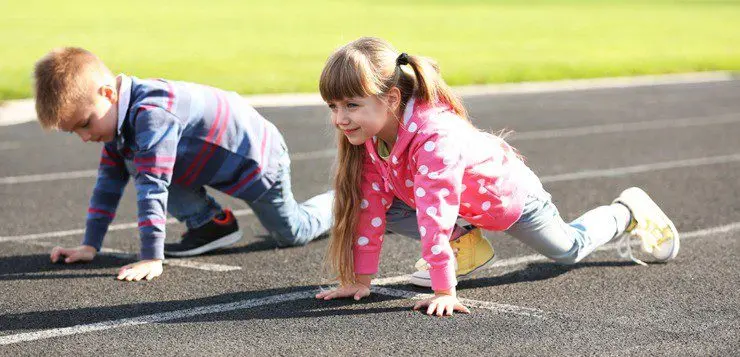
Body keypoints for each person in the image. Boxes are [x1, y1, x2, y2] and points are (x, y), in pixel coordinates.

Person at [314, 37, 679, 317]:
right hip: (461, 205)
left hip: (508, 199)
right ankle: (467, 242)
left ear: (391, 99)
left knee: (568, 250)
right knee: (383, 206)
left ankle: (625, 211)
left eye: (351, 105)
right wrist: (359, 281)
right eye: (333, 106)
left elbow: (434, 214)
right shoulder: (369, 143)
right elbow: (369, 212)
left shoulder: (434, 139)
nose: (339, 119)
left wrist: (444, 291)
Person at [32, 47, 334, 281]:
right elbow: (107, 186)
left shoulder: (152, 113)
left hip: (258, 162)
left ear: (109, 94)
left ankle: (341, 202)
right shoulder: (117, 127)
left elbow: (153, 184)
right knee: (136, 161)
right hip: (208, 162)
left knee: (292, 232)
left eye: (85, 124)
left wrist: (152, 256)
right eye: (75, 132)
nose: (84, 137)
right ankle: (211, 225)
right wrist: (90, 245)